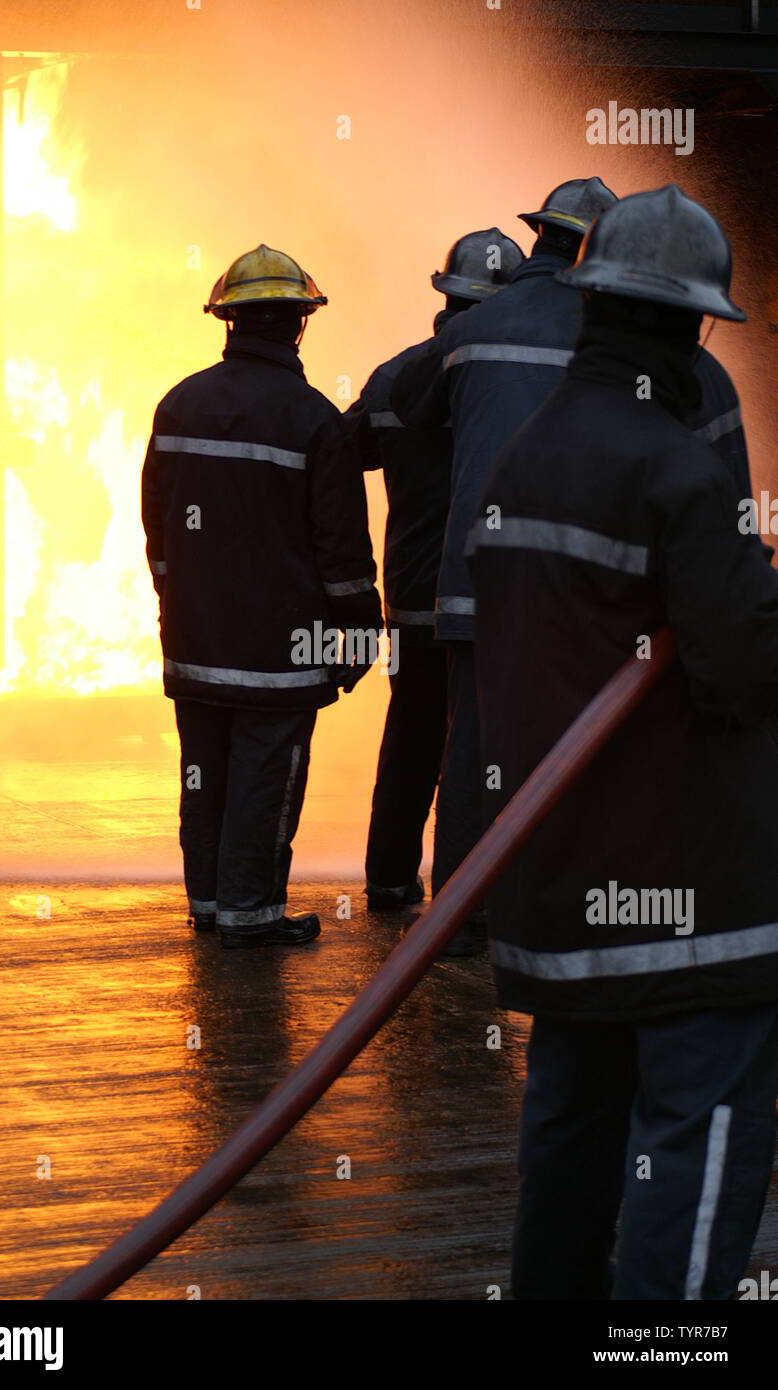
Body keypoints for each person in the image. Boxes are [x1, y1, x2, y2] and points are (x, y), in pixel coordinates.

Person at [467, 185, 778, 1299]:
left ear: (591, 306)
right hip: (686, 903)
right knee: (691, 1150)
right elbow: (736, 668)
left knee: (571, 1142)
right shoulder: (674, 471)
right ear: (688, 327)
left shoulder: (522, 462)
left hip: (559, 892)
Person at [391, 178, 618, 952]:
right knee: (571, 750)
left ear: (542, 239)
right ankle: (552, 913)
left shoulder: (468, 330)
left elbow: (408, 417)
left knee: (470, 754)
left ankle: (455, 923)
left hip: (469, 581)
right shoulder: (604, 336)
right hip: (563, 588)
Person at [142, 244, 382, 949]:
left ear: (228, 321)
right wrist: (359, 636)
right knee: (264, 779)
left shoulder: (178, 403)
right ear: (298, 324)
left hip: (194, 642)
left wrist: (175, 600)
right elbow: (341, 550)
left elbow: (156, 528)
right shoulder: (314, 420)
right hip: (280, 652)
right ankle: (252, 917)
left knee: (203, 775)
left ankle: (212, 905)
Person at [345, 229, 524, 949]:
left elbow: (348, 452)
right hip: (479, 597)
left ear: (444, 297)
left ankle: (390, 881)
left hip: (413, 596)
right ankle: (471, 894)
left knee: (412, 737)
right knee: (474, 744)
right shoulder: (505, 374)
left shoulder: (396, 376)